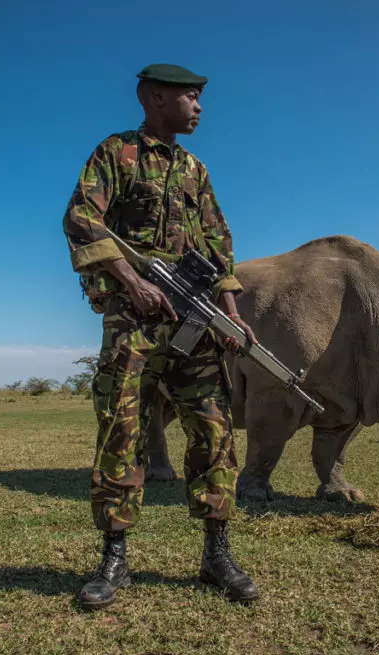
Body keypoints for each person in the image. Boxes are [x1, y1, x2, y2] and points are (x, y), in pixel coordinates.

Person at [62, 64, 259, 609]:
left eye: (199, 99)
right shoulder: (116, 152)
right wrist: (131, 280)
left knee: (214, 428)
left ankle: (217, 553)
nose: (199, 108)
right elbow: (82, 218)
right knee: (121, 430)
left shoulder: (196, 169)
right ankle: (114, 558)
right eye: (190, 98)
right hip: (135, 319)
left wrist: (231, 313)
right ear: (155, 98)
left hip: (194, 321)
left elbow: (218, 245)